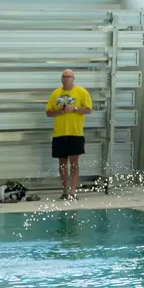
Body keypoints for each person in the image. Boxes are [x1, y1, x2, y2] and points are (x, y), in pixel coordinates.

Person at [46, 69, 92, 202]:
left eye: (68, 77)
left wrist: (75, 109)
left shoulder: (82, 92)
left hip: (75, 132)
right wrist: (58, 112)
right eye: (63, 77)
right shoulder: (56, 93)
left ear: (73, 78)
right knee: (62, 163)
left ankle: (73, 190)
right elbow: (48, 112)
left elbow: (89, 109)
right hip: (60, 133)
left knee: (74, 162)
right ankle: (64, 190)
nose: (65, 79)